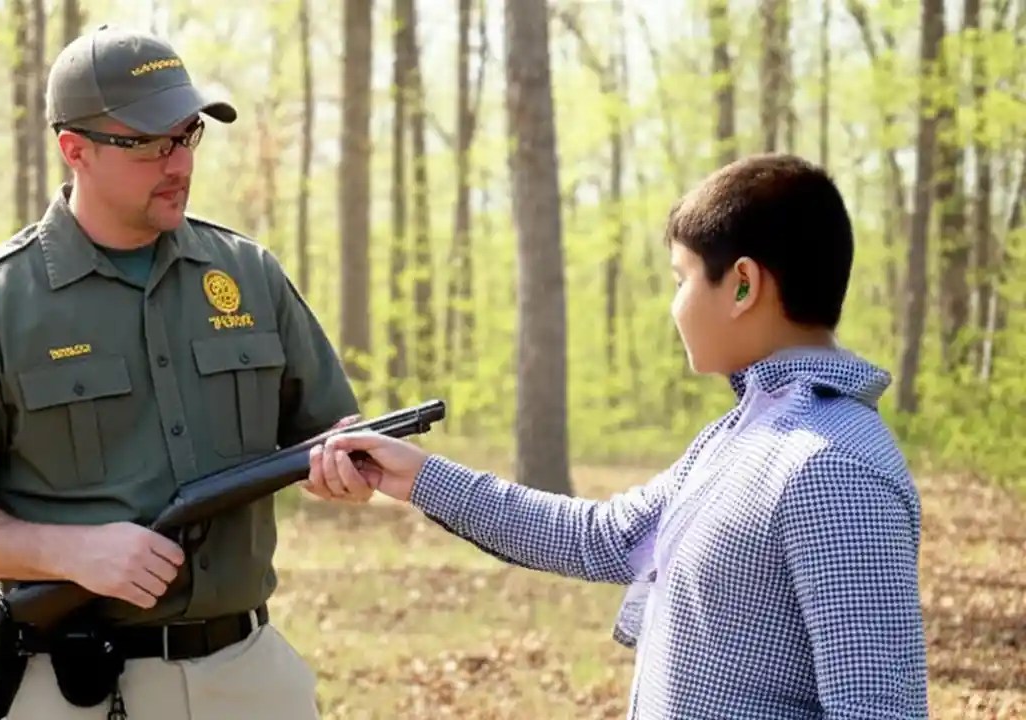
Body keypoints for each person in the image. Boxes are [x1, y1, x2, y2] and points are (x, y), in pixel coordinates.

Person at [304, 154, 929, 719]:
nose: (675, 304)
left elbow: (880, 709)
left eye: (682, 278)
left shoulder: (834, 469)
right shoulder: (741, 439)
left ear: (742, 284)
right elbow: (599, 537)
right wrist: (417, 477)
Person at [0, 24, 360, 720]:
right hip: (78, 684)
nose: (178, 162)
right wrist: (72, 551)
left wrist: (350, 469)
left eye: (187, 133)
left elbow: (330, 434)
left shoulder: (249, 276)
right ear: (73, 149)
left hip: (251, 676)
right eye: (147, 142)